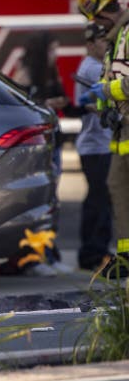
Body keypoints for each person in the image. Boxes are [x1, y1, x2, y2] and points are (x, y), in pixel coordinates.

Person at [77, 0, 129, 278]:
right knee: (118, 190)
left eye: (95, 17)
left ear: (103, 11)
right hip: (121, 133)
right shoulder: (116, 37)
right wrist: (101, 101)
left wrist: (106, 92)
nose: (95, 24)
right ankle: (124, 258)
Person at [12, 31, 74, 276]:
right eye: (51, 50)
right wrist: (47, 105)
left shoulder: (52, 73)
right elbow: (22, 105)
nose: (54, 55)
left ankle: (50, 253)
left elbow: (66, 101)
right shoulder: (26, 73)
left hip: (54, 138)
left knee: (52, 202)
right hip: (38, 143)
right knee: (38, 202)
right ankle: (34, 258)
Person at [74, 22, 113, 271]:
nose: (106, 45)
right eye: (102, 41)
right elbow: (91, 102)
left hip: (95, 146)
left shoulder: (90, 66)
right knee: (101, 201)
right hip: (97, 146)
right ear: (90, 45)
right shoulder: (93, 68)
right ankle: (94, 254)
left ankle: (92, 251)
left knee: (96, 200)